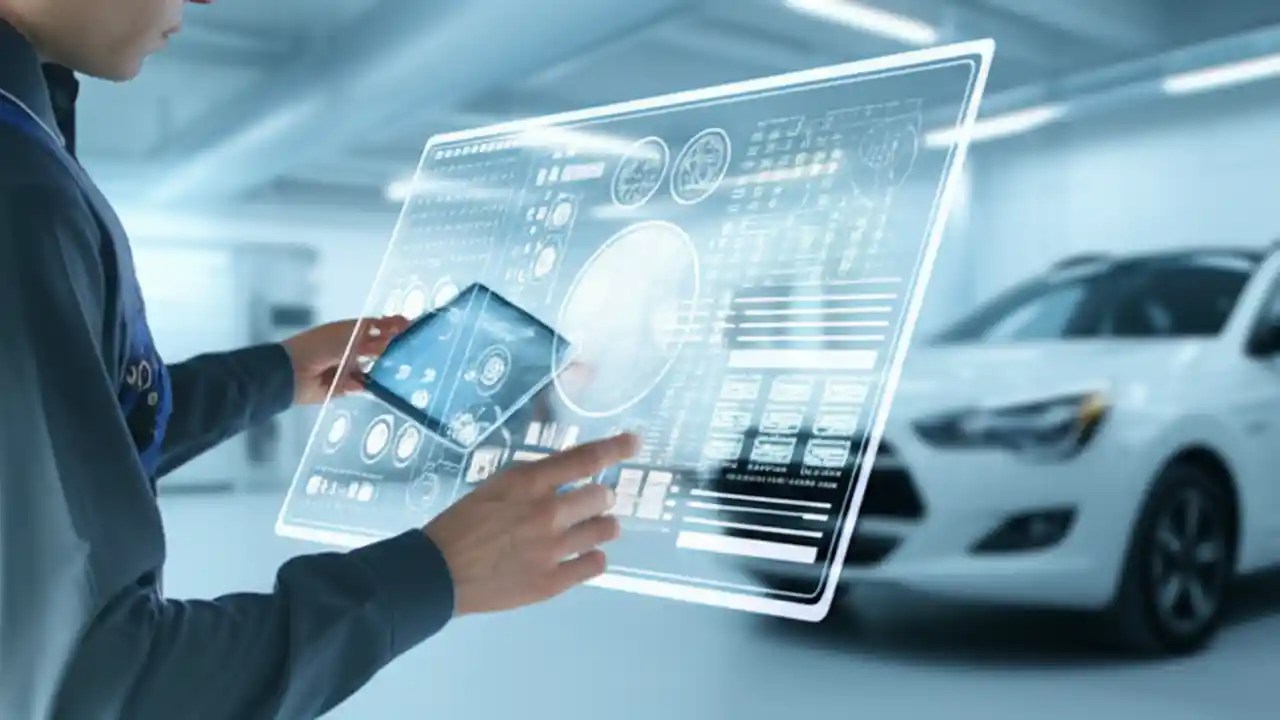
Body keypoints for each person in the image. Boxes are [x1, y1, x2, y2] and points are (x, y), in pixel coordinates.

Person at [0, 1, 636, 718]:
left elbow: (81, 441)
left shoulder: (29, 150)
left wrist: (275, 373)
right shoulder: (19, 193)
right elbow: (102, 683)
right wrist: (433, 572)